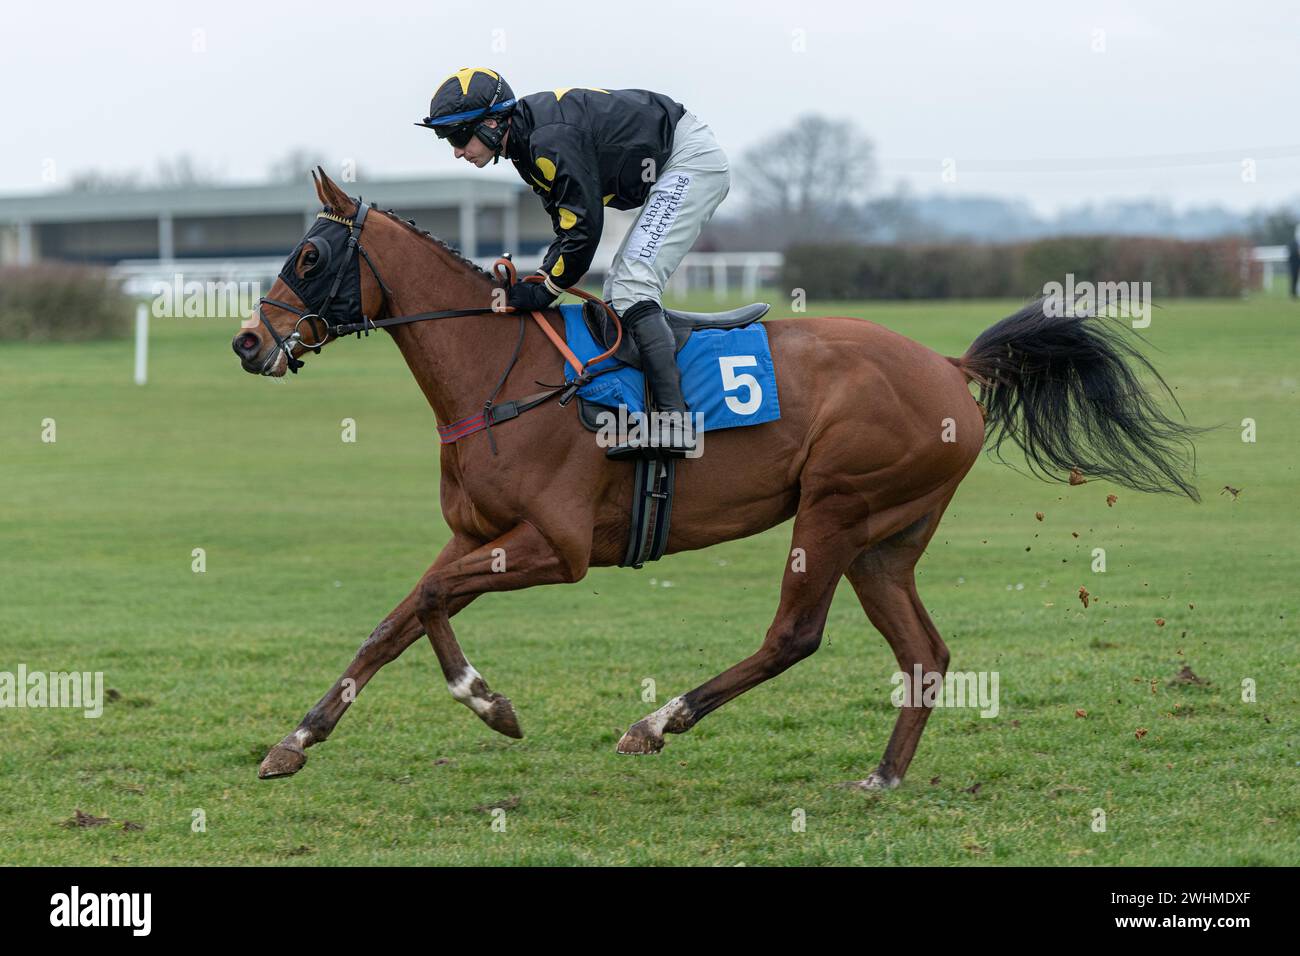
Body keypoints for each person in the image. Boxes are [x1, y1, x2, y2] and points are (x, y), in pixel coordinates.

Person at [415, 68, 731, 458]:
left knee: (633, 285)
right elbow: (567, 227)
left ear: (494, 123)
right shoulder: (525, 146)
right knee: (618, 291)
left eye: (460, 136)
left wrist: (542, 290)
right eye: (447, 139)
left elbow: (584, 231)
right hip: (671, 159)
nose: (457, 150)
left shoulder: (548, 141)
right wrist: (543, 279)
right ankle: (639, 409)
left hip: (688, 161)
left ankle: (674, 423)